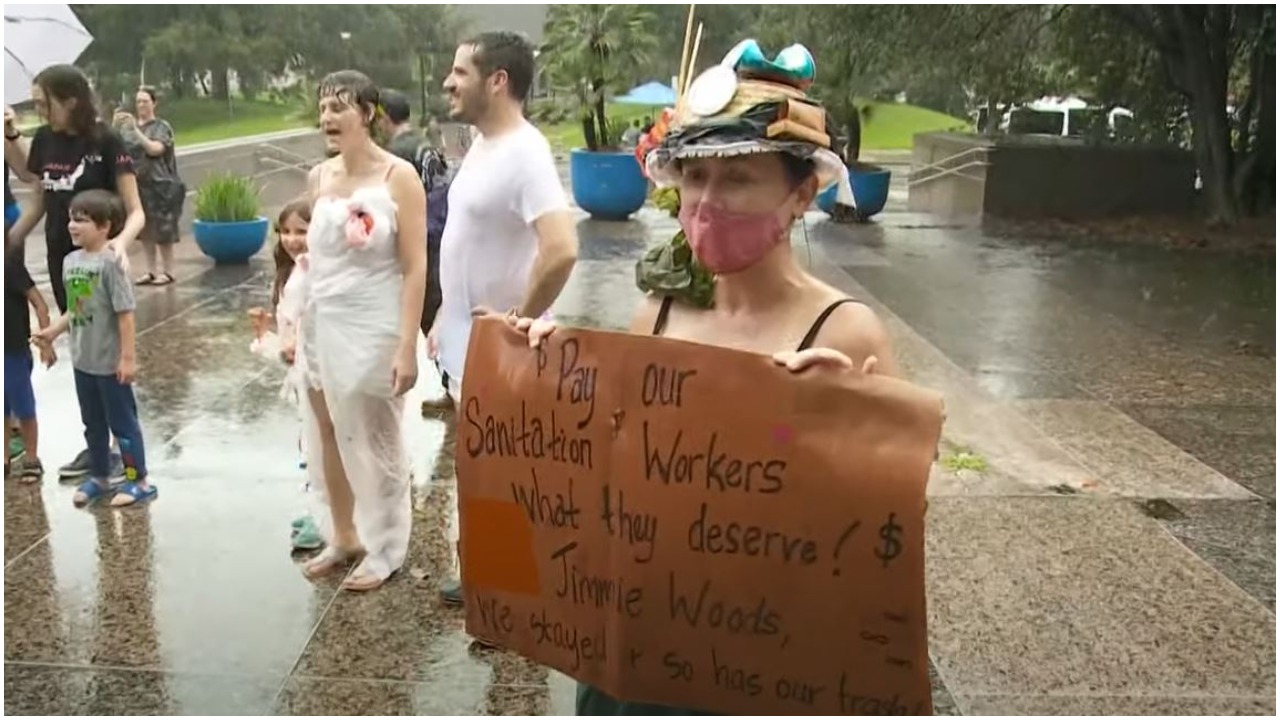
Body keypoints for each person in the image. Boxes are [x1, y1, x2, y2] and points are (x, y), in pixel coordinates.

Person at [505, 40, 889, 716]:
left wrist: (848, 434)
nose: (707, 201)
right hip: (643, 642)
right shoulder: (658, 311)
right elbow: (621, 464)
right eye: (695, 175)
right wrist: (551, 387)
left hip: (759, 660)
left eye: (737, 178)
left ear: (802, 193)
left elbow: (893, 525)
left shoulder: (844, 332)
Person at [434, 30, 579, 605]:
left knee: (506, 474)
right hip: (467, 346)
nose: (448, 82)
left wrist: (518, 319)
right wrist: (444, 317)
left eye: (460, 72)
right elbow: (471, 239)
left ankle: (510, 600)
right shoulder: (483, 143)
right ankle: (489, 577)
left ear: (497, 81)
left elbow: (561, 249)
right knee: (483, 469)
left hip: (503, 355)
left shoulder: (524, 152)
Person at [298, 70, 427, 592]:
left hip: (375, 319)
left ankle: (386, 545)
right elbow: (314, 256)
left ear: (368, 113)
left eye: (339, 107)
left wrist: (407, 345)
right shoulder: (318, 177)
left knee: (375, 435)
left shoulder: (400, 176)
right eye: (323, 108)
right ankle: (344, 535)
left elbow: (415, 266)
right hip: (320, 318)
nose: (327, 118)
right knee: (327, 428)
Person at [6, 64, 146, 481]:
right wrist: (10, 240)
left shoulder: (106, 140)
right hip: (63, 260)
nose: (38, 110)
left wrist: (120, 244)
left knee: (110, 354)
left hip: (102, 263)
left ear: (70, 100)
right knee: (84, 348)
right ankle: (99, 446)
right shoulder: (45, 139)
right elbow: (38, 196)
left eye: (43, 103)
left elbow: (136, 210)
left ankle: (125, 449)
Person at [32, 190, 154, 509]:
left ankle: (138, 479)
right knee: (93, 425)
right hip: (83, 360)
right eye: (71, 219)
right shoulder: (71, 262)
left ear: (105, 226)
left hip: (110, 362)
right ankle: (100, 476)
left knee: (123, 426)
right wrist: (53, 332)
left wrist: (128, 358)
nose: (72, 226)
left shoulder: (112, 262)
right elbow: (78, 307)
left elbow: (125, 314)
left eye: (82, 220)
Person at [246, 199, 325, 552]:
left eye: (301, 231)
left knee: (320, 445)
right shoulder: (287, 276)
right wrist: (270, 337)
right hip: (300, 373)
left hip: (320, 371)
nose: (292, 239)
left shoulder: (318, 276)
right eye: (286, 231)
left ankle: (326, 516)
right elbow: (288, 335)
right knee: (308, 444)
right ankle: (317, 509)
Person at [377, 90, 451, 416]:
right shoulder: (426, 144)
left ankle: (456, 388)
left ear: (382, 118)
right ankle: (452, 387)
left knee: (430, 319)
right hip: (441, 240)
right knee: (438, 317)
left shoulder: (395, 156)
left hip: (422, 245)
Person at [117, 86, 184, 286]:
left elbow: (155, 149)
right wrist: (116, 126)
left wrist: (136, 131)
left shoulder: (161, 127)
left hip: (161, 184)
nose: (141, 105)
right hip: (137, 183)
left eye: (145, 101)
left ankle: (169, 271)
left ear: (154, 103)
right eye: (138, 101)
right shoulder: (126, 129)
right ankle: (150, 270)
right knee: (144, 229)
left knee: (164, 229)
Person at [5, 242, 54, 482]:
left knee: (23, 406)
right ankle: (5, 456)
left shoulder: (10, 268)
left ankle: (32, 458)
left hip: (14, 351)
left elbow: (40, 304)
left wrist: (46, 342)